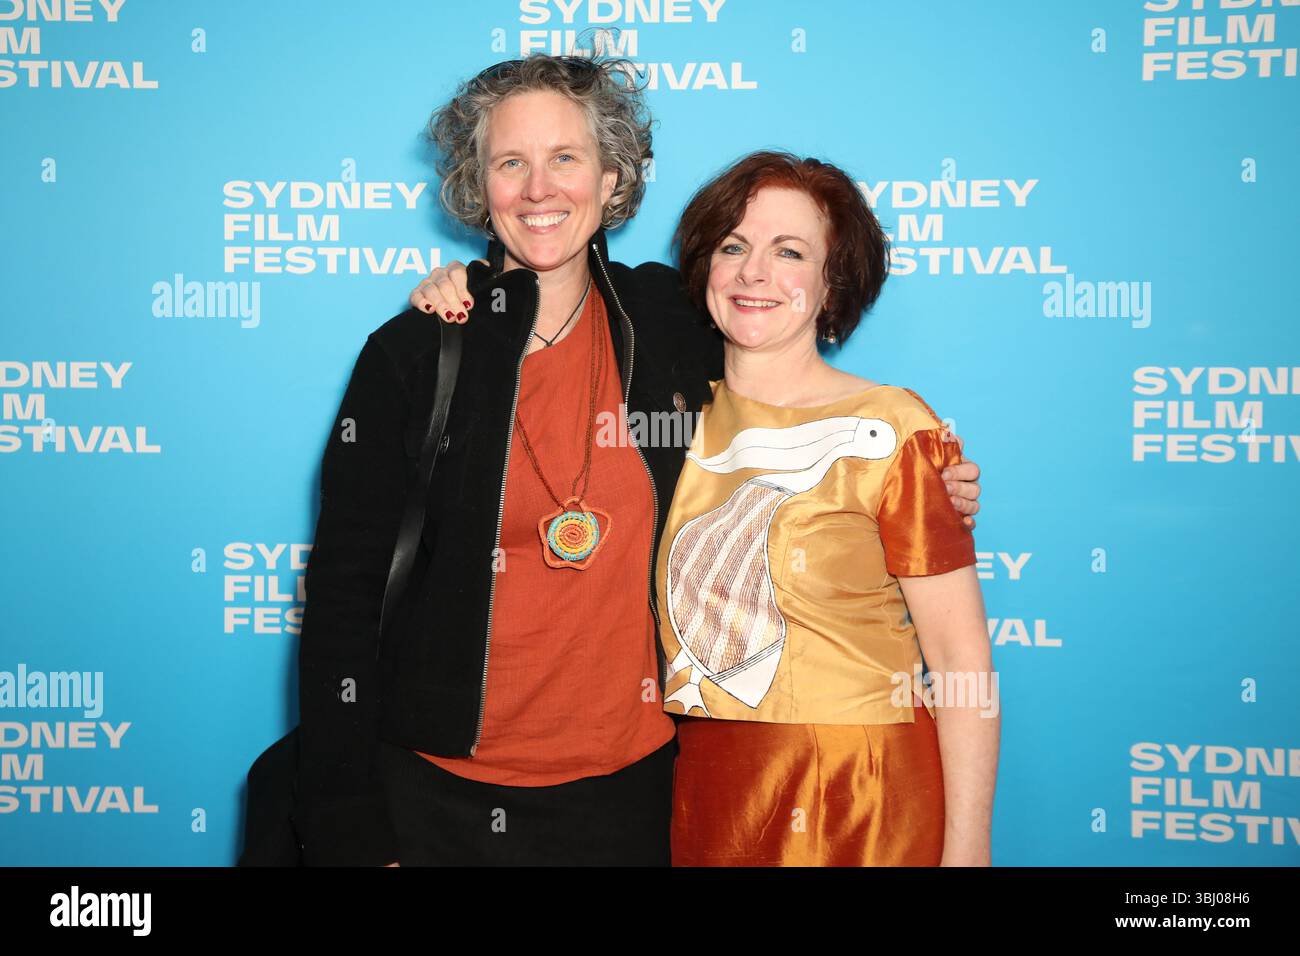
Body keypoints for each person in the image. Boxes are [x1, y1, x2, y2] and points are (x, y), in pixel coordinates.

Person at [294, 53, 982, 867]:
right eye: (510, 163)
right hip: (436, 799)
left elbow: (789, 387)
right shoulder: (414, 353)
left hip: (636, 799)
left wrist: (925, 480)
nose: (539, 188)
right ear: (479, 187)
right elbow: (341, 600)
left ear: (612, 178)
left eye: (566, 159)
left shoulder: (666, 322)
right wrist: (349, 825)